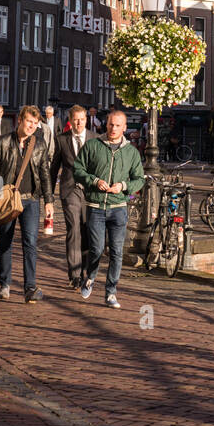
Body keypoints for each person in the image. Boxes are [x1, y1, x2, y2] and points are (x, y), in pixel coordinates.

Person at [0, 104, 54, 304]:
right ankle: (4, 283)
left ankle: (29, 287)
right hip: (7, 199)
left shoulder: (39, 144)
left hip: (30, 199)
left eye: (35, 123)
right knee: (5, 240)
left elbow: (45, 174)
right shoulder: (4, 141)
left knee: (30, 242)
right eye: (29, 121)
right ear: (20, 120)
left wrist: (49, 200)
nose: (32, 126)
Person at [74, 109, 145, 309]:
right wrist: (94, 181)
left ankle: (111, 292)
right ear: (106, 124)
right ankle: (90, 277)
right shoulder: (93, 145)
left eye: (118, 125)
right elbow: (78, 169)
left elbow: (139, 179)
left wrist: (123, 186)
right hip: (96, 206)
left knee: (116, 252)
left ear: (125, 128)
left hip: (119, 208)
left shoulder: (131, 152)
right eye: (111, 124)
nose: (113, 128)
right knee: (96, 249)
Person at [50, 104, 96, 288]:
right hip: (70, 190)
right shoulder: (61, 140)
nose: (79, 123)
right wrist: (49, 197)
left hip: (91, 192)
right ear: (70, 120)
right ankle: (75, 275)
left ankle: (85, 269)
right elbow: (53, 169)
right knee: (74, 229)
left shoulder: (95, 138)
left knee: (87, 231)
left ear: (86, 120)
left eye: (82, 119)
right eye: (75, 119)